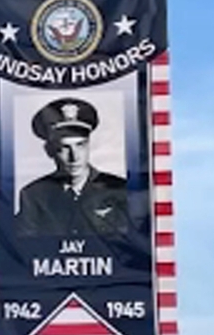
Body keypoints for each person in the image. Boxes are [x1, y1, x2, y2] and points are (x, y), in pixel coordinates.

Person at [15, 96, 132, 237]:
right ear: (50, 150)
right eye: (64, 148)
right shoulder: (33, 196)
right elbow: (25, 249)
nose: (74, 157)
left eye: (81, 145)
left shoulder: (119, 189)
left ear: (89, 146)